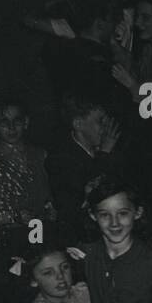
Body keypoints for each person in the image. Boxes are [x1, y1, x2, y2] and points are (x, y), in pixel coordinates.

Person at [0, 102, 54, 295]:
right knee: (14, 292)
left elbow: (49, 193)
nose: (11, 127)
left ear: (26, 123)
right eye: (4, 122)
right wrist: (14, 216)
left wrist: (51, 207)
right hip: (8, 240)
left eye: (16, 121)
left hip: (41, 233)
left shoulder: (40, 155)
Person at [46, 96, 122, 245]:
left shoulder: (107, 149)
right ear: (78, 124)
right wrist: (104, 155)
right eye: (100, 122)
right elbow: (82, 198)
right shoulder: (60, 159)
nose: (106, 128)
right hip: (82, 238)